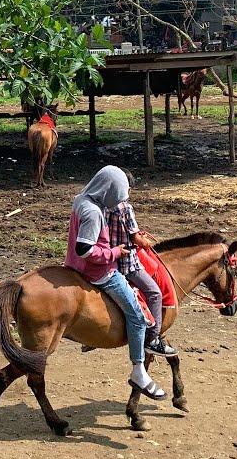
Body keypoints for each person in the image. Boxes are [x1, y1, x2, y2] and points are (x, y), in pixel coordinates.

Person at [66, 165, 167, 400]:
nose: (120, 200)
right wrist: (115, 253)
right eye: (119, 193)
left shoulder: (81, 199)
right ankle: (139, 370)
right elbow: (84, 249)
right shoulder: (93, 212)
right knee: (138, 317)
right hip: (100, 272)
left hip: (72, 266)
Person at [105, 171, 177, 358]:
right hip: (127, 262)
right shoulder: (125, 208)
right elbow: (135, 237)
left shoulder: (103, 206)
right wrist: (146, 242)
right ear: (127, 189)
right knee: (154, 293)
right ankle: (152, 339)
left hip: (109, 259)